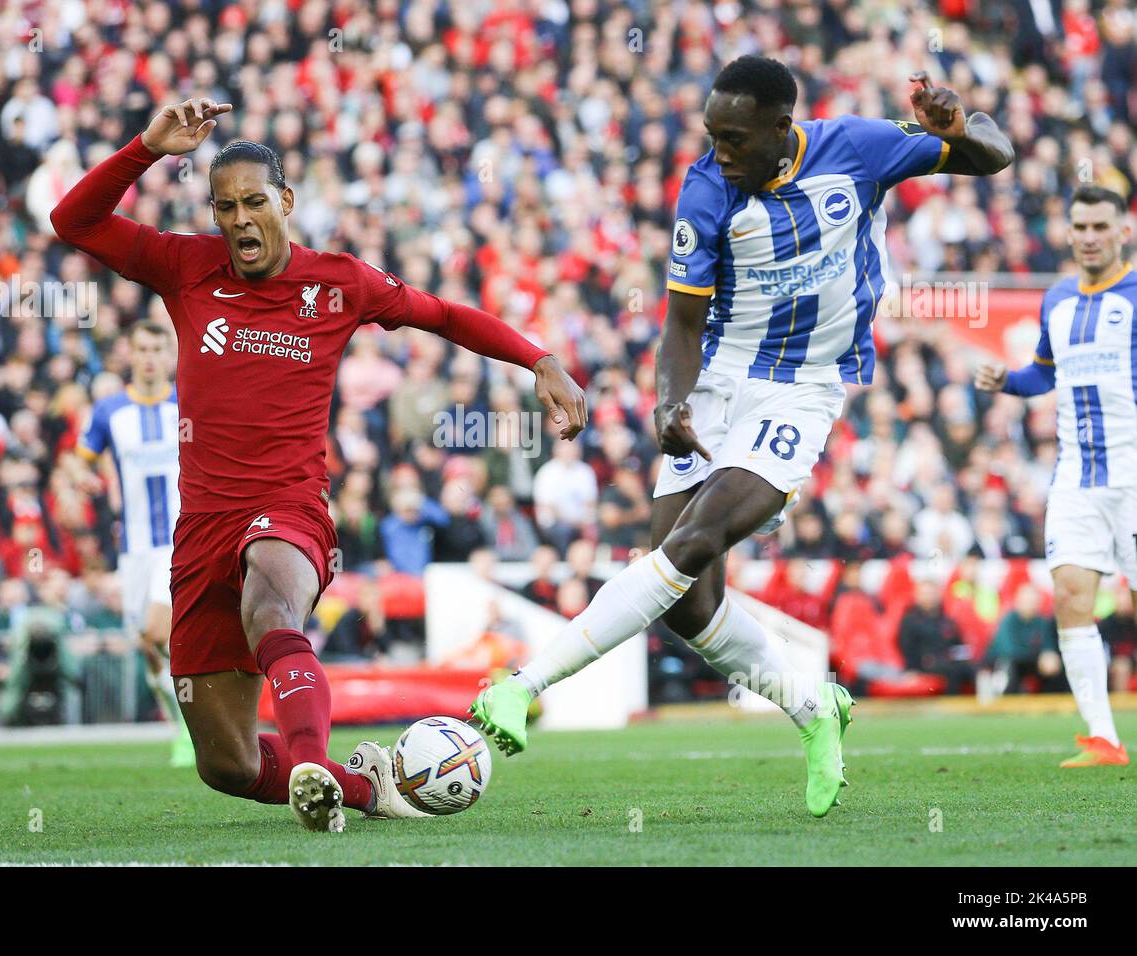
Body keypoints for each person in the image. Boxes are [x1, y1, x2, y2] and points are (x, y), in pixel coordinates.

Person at [472, 56, 1013, 817]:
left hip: (803, 390)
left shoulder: (858, 147)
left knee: (689, 543)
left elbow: (994, 156)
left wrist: (958, 128)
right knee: (685, 605)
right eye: (711, 136)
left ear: (780, 127)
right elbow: (681, 324)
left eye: (734, 139)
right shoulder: (705, 191)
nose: (720, 152)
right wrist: (670, 402)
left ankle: (523, 684)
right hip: (719, 381)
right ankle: (813, 707)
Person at [50, 97, 587, 832]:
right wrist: (145, 147)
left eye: (254, 202)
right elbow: (73, 222)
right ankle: (363, 786)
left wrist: (539, 359)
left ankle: (309, 760)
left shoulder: (339, 283)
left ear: (287, 202)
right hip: (201, 526)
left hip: (289, 507)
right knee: (228, 765)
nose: (240, 219)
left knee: (271, 607)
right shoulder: (186, 267)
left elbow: (443, 315)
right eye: (225, 207)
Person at [975, 185, 1134, 768]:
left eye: (1100, 226)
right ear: (1068, 233)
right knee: (1070, 595)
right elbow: (1044, 373)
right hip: (1076, 477)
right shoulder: (1057, 299)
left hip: (1134, 475)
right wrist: (1007, 381)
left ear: (1122, 232)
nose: (1089, 237)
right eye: (1080, 226)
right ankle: (1103, 739)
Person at [75, 321, 194, 768]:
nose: (149, 358)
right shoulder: (110, 411)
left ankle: (193, 730)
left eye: (157, 349)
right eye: (141, 349)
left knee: (156, 632)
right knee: (147, 645)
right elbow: (78, 460)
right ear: (131, 354)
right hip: (134, 548)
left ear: (169, 354)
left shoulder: (186, 402)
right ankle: (182, 728)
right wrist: (82, 478)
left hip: (179, 541)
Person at [981, 583, 1064, 693]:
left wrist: (1049, 656)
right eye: (1026, 602)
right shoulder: (1009, 620)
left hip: (1030, 661)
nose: (1030, 605)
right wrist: (1039, 657)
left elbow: (1048, 646)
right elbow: (1009, 651)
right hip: (1002, 661)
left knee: (1054, 665)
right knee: (1009, 665)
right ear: (1017, 602)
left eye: (1033, 602)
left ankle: (1053, 698)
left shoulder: (1042, 622)